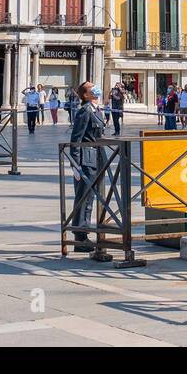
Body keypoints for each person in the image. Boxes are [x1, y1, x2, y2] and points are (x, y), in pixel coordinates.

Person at [68, 82, 107, 253]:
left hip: (96, 158)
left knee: (90, 197)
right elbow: (76, 138)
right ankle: (80, 237)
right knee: (84, 197)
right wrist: (75, 165)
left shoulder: (95, 109)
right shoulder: (85, 111)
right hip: (86, 158)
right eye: (92, 88)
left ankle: (84, 233)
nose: (96, 88)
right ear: (85, 95)